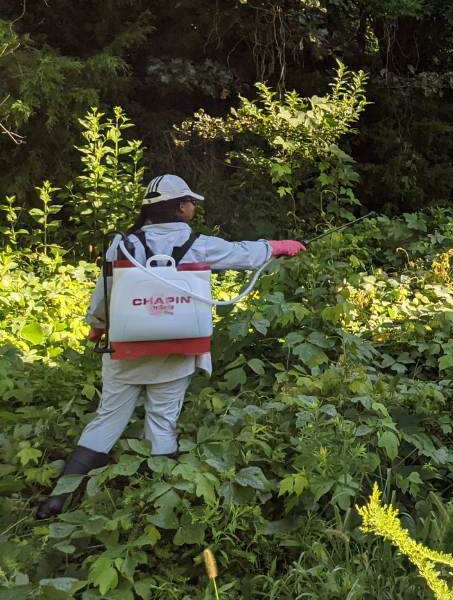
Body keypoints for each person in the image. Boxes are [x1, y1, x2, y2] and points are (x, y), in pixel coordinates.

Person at [35, 174, 306, 519]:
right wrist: (279, 246)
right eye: (190, 201)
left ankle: (56, 501)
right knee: (162, 423)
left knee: (107, 421)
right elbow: (244, 254)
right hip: (176, 350)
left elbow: (104, 292)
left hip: (126, 349)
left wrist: (96, 329)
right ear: (179, 207)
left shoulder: (122, 244)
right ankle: (158, 503)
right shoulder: (199, 244)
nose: (193, 206)